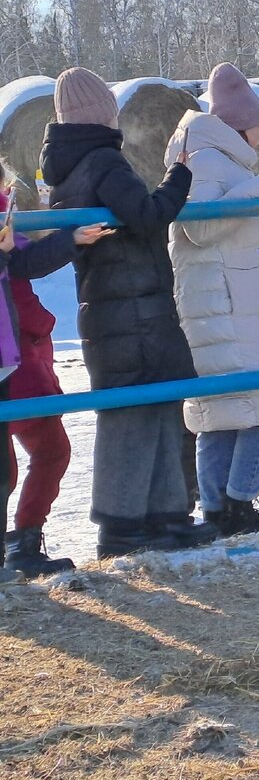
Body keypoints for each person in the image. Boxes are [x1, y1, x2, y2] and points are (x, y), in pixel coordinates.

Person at [39, 67, 218, 559]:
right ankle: (123, 527)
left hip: (120, 308)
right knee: (135, 418)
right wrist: (179, 177)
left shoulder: (71, 167)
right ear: (103, 114)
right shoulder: (103, 163)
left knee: (154, 409)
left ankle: (162, 516)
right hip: (132, 310)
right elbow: (146, 216)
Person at [165, 63, 259, 537]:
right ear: (242, 124)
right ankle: (236, 503)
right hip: (229, 308)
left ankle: (220, 509)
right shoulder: (209, 160)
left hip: (229, 302)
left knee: (225, 414)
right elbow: (201, 225)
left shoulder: (212, 158)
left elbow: (233, 243)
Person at [0, 184, 108, 578]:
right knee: (47, 449)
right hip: (16, 352)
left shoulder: (6, 220)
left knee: (19, 459)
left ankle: (20, 543)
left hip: (26, 347)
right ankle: (23, 542)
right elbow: (23, 261)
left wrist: (70, 237)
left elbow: (27, 260)